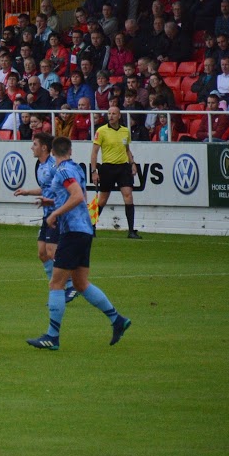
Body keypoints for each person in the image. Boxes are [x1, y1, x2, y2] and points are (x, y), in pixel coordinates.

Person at [27, 137, 132, 350]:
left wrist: (55, 213)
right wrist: (51, 202)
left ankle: (52, 336)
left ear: (53, 152)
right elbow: (79, 195)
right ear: (70, 151)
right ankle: (117, 320)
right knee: (81, 283)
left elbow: (77, 197)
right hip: (84, 230)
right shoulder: (76, 168)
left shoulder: (63, 171)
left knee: (56, 283)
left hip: (72, 232)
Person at [12, 128, 77, 300]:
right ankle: (55, 286)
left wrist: (55, 204)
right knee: (42, 253)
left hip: (57, 213)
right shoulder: (40, 166)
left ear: (44, 148)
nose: (31, 147)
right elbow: (46, 188)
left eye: (34, 144)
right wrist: (27, 192)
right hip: (47, 214)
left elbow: (65, 190)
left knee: (52, 251)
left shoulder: (54, 167)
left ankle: (70, 284)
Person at [89, 103, 140, 238]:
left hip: (123, 167)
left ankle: (131, 230)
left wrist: (132, 163)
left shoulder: (125, 131)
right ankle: (91, 226)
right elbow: (94, 152)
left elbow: (127, 150)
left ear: (119, 116)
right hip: (108, 167)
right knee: (103, 199)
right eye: (109, 113)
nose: (110, 116)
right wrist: (94, 171)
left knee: (128, 195)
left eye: (113, 114)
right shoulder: (101, 131)